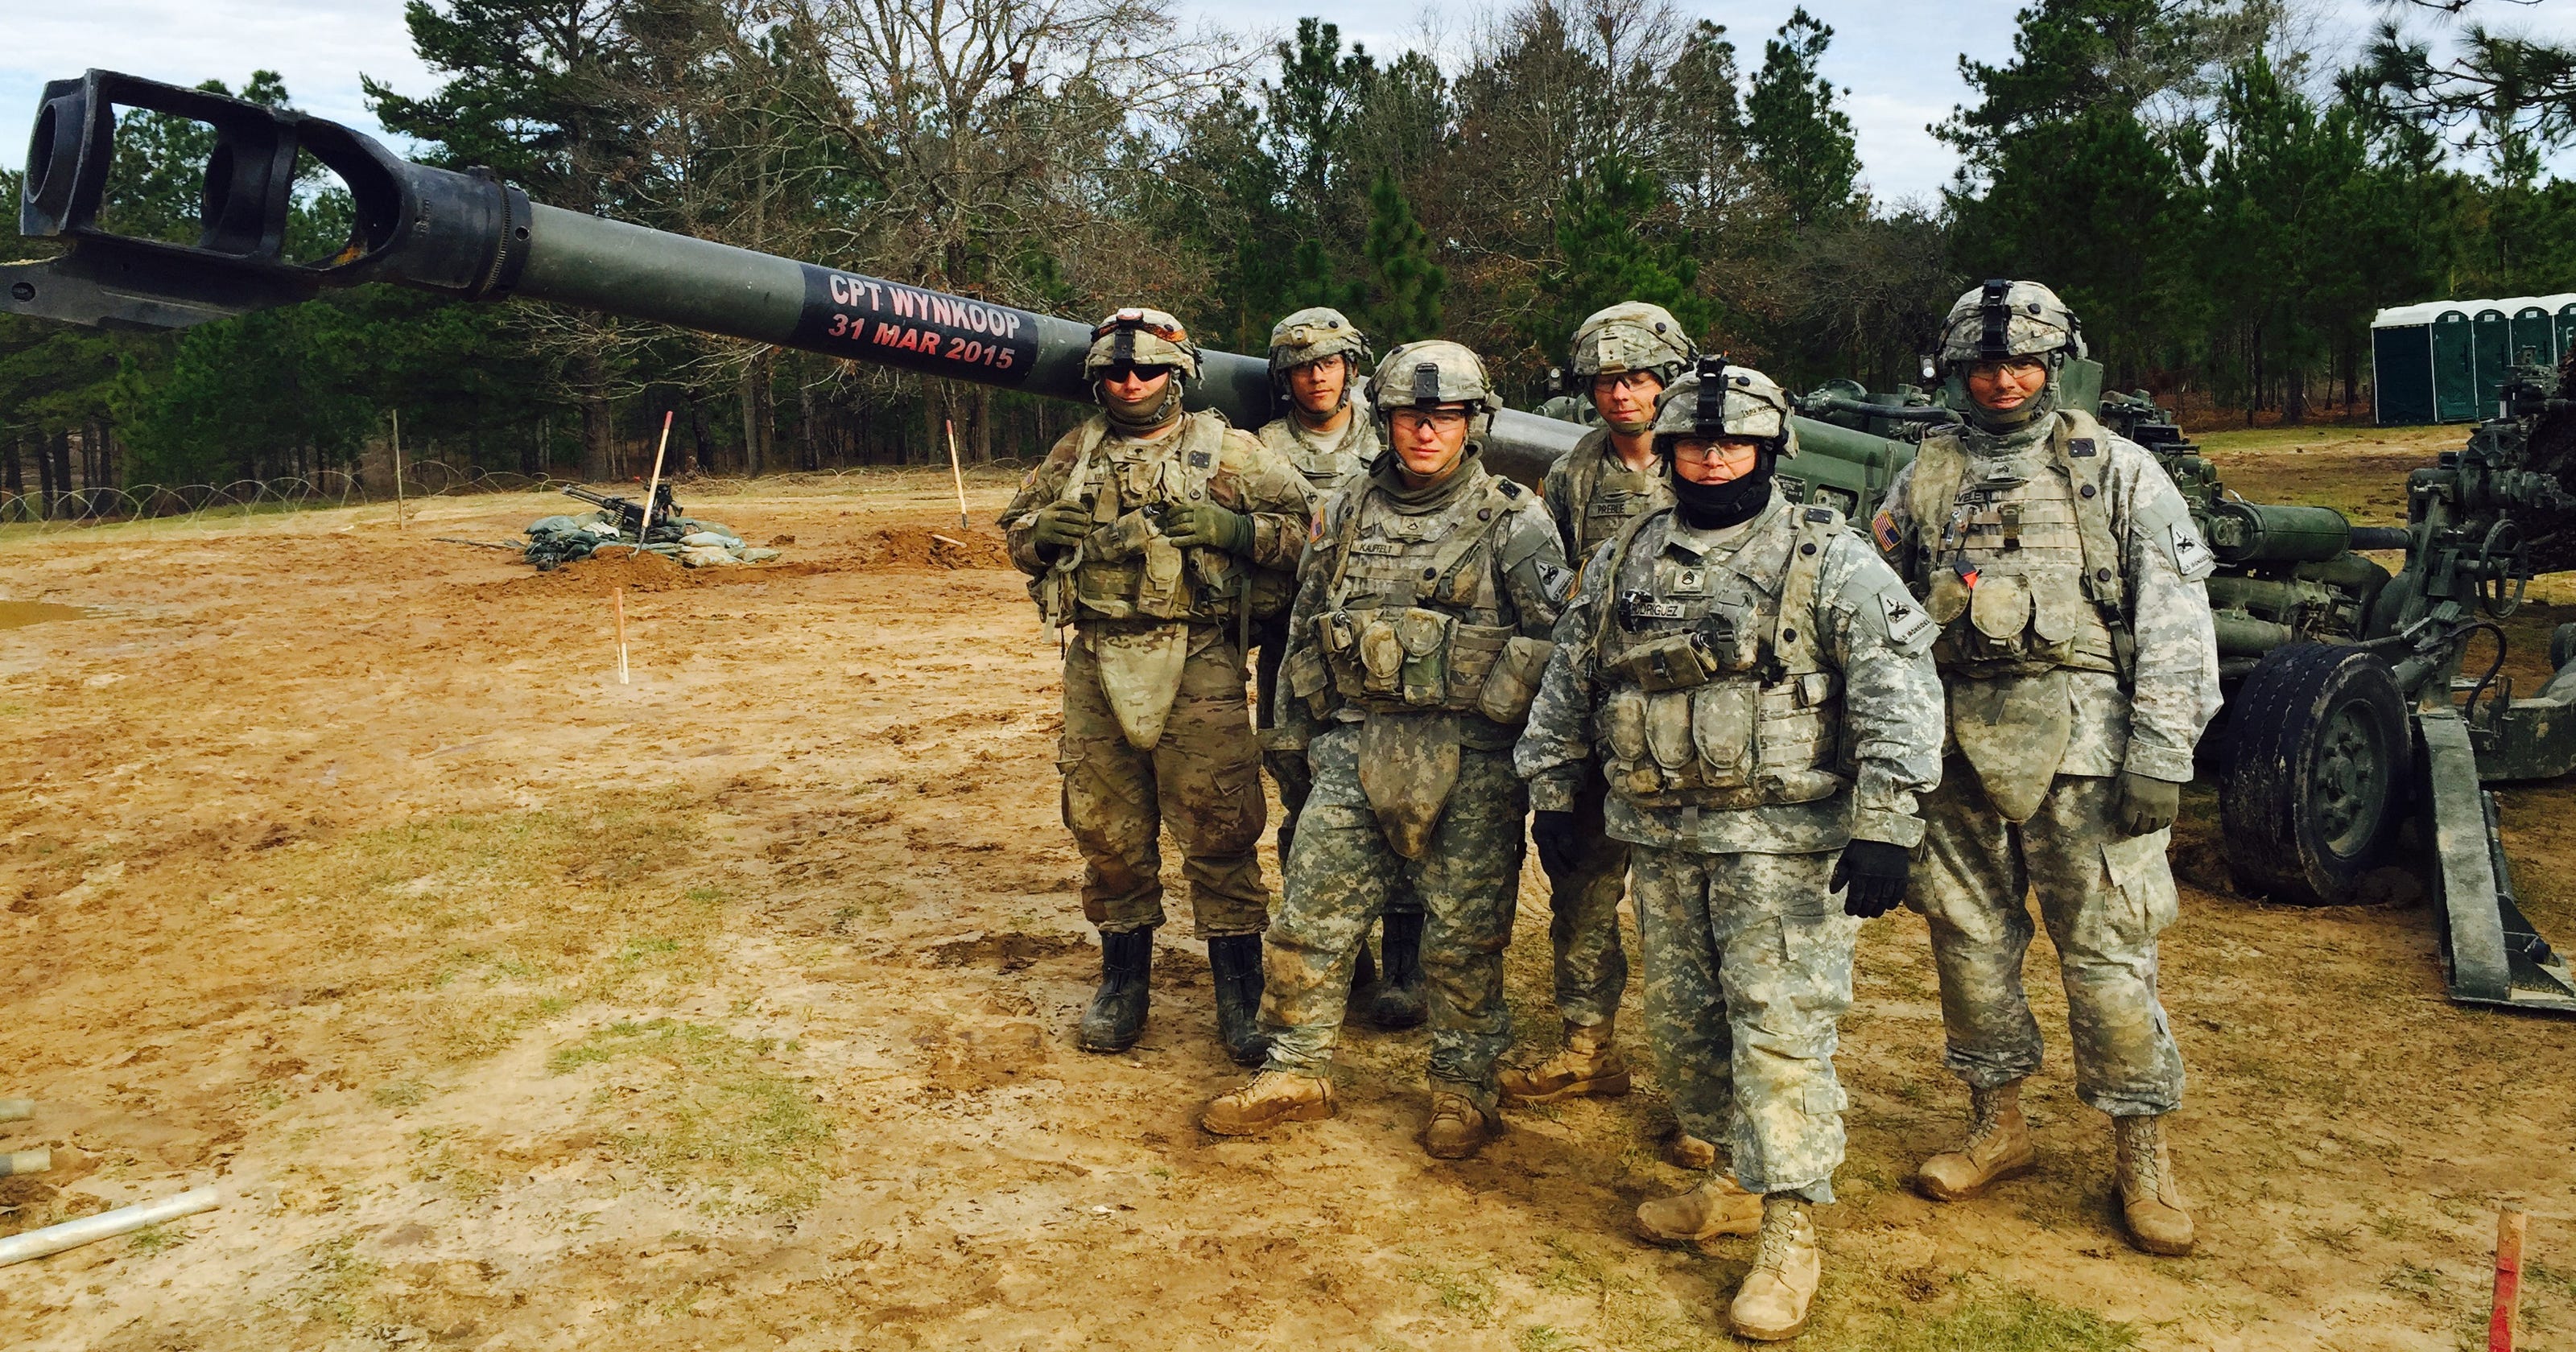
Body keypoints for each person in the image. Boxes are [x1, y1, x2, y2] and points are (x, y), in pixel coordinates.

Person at [1517, 358, 1943, 1342]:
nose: (1713, 458)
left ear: (1769, 450)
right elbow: (1573, 675)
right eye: (1694, 443)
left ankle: (1790, 1232)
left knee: (1781, 1034)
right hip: (1662, 842)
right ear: (1666, 452)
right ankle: (1730, 1187)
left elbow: (1896, 686)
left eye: (1734, 442)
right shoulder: (1628, 555)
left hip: (1784, 849)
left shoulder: (1821, 556)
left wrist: (1888, 821)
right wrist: (1551, 788)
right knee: (1685, 1027)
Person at [1869, 280, 2219, 1257]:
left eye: (2021, 361)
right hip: (1956, 749)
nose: (2001, 378)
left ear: (2053, 364)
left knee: (2106, 953)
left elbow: (2175, 619)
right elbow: (1881, 608)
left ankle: (2140, 1151)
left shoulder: (2118, 471)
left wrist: (2160, 752)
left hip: (2087, 753)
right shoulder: (1923, 478)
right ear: (1955, 373)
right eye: (1982, 364)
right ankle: (1997, 1123)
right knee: (1966, 940)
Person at [1199, 340, 1571, 1159]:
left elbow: (1557, 648)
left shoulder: (1514, 518)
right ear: (1388, 418)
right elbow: (1305, 625)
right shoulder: (1347, 510)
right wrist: (1293, 733)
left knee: (1464, 935)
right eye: (1408, 415)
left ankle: (1463, 1085)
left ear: (1473, 423)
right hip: (1354, 745)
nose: (1423, 431)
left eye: (1442, 416)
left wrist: (1545, 771)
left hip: (1471, 757)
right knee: (1308, 921)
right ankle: (1294, 1067)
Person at [999, 307, 1315, 1067]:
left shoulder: (1230, 453)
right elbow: (1016, 532)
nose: (1131, 382)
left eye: (1146, 370)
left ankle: (1239, 995)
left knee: (1220, 826)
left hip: (1199, 656)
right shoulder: (1074, 453)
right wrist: (1040, 537)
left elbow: (1314, 533)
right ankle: (1123, 984)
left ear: (1179, 375)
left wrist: (1235, 532)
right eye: (1115, 371)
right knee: (1106, 827)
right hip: (1097, 657)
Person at [1503, 302, 1692, 1117]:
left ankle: (1701, 1100)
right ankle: (1587, 1044)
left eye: (1637, 378)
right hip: (1598, 704)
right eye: (1606, 381)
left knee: (1686, 907)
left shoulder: (1711, 455)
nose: (1621, 395)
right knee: (1580, 885)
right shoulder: (1577, 469)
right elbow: (1556, 591)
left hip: (1689, 717)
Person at [1249, 308, 1422, 1030]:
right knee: (1305, 798)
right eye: (1301, 366)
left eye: (1329, 362)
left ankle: (1406, 969)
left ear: (1353, 366)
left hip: (1389, 656)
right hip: (1295, 648)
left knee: (1405, 800)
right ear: (1282, 376)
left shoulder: (1394, 440)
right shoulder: (1256, 450)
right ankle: (1343, 954)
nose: (1316, 377)